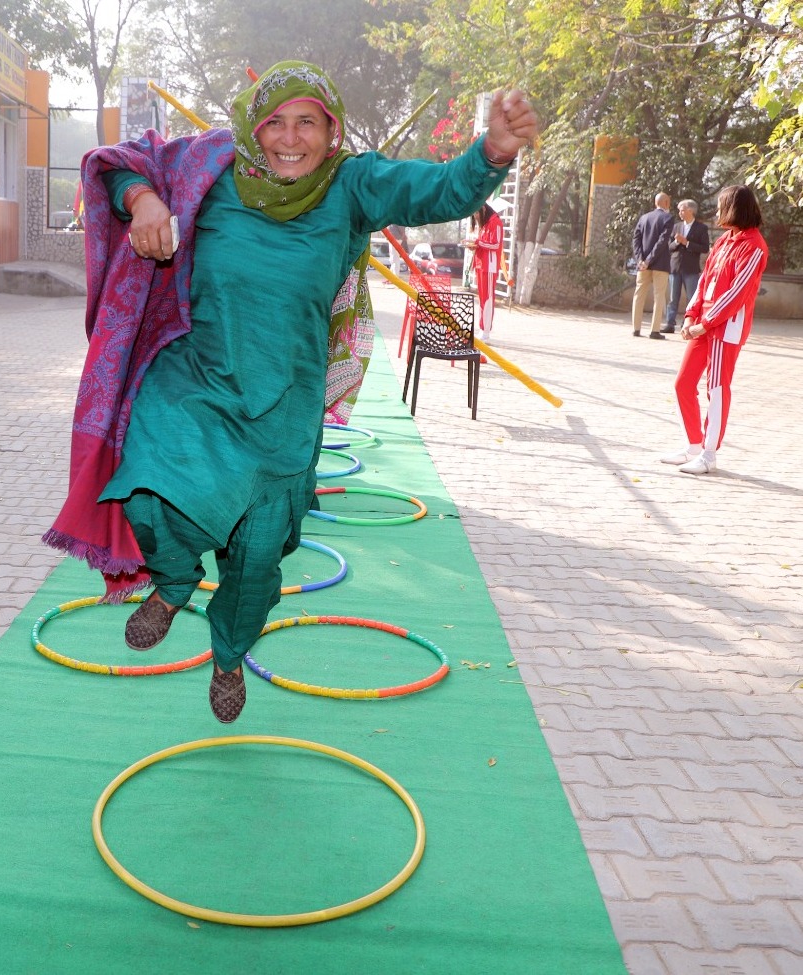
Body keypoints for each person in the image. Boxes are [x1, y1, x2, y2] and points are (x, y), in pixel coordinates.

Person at [43, 60, 538, 723]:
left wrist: (493, 152)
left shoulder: (354, 184)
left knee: (253, 564)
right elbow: (120, 163)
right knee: (147, 485)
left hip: (282, 408)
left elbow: (440, 191)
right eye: (274, 120)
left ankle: (227, 653)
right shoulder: (211, 165)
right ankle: (173, 578)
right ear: (253, 123)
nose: (289, 138)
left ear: (332, 130)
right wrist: (145, 199)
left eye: (308, 121)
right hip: (195, 384)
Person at [660, 185, 768, 475]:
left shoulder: (754, 246)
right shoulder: (724, 242)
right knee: (683, 383)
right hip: (702, 325)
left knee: (716, 390)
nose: (718, 212)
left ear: (735, 208)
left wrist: (704, 324)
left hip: (725, 329)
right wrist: (690, 316)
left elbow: (737, 294)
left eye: (722, 206)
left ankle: (708, 455)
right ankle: (693, 447)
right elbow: (705, 281)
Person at [661, 199, 709, 333]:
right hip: (675, 267)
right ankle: (670, 323)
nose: (680, 213)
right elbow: (669, 247)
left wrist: (687, 243)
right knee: (672, 298)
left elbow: (705, 248)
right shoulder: (676, 227)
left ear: (690, 211)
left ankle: (687, 324)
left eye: (682, 210)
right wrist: (677, 242)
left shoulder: (701, 228)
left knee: (691, 298)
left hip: (691, 268)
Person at [631, 192, 674, 339]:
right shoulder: (668, 218)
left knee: (639, 295)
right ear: (667, 203)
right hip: (660, 264)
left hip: (643, 265)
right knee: (659, 296)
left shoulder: (644, 218)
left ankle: (635, 329)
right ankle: (654, 330)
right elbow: (662, 242)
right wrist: (649, 259)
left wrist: (640, 259)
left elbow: (636, 240)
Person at [466, 203, 505, 336]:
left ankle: (486, 329)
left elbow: (496, 244)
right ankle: (482, 327)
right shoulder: (484, 225)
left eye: (477, 213)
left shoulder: (496, 222)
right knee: (482, 298)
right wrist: (474, 246)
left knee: (488, 298)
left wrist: (478, 243)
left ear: (483, 209)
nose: (476, 217)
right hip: (480, 264)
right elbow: (483, 244)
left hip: (490, 265)